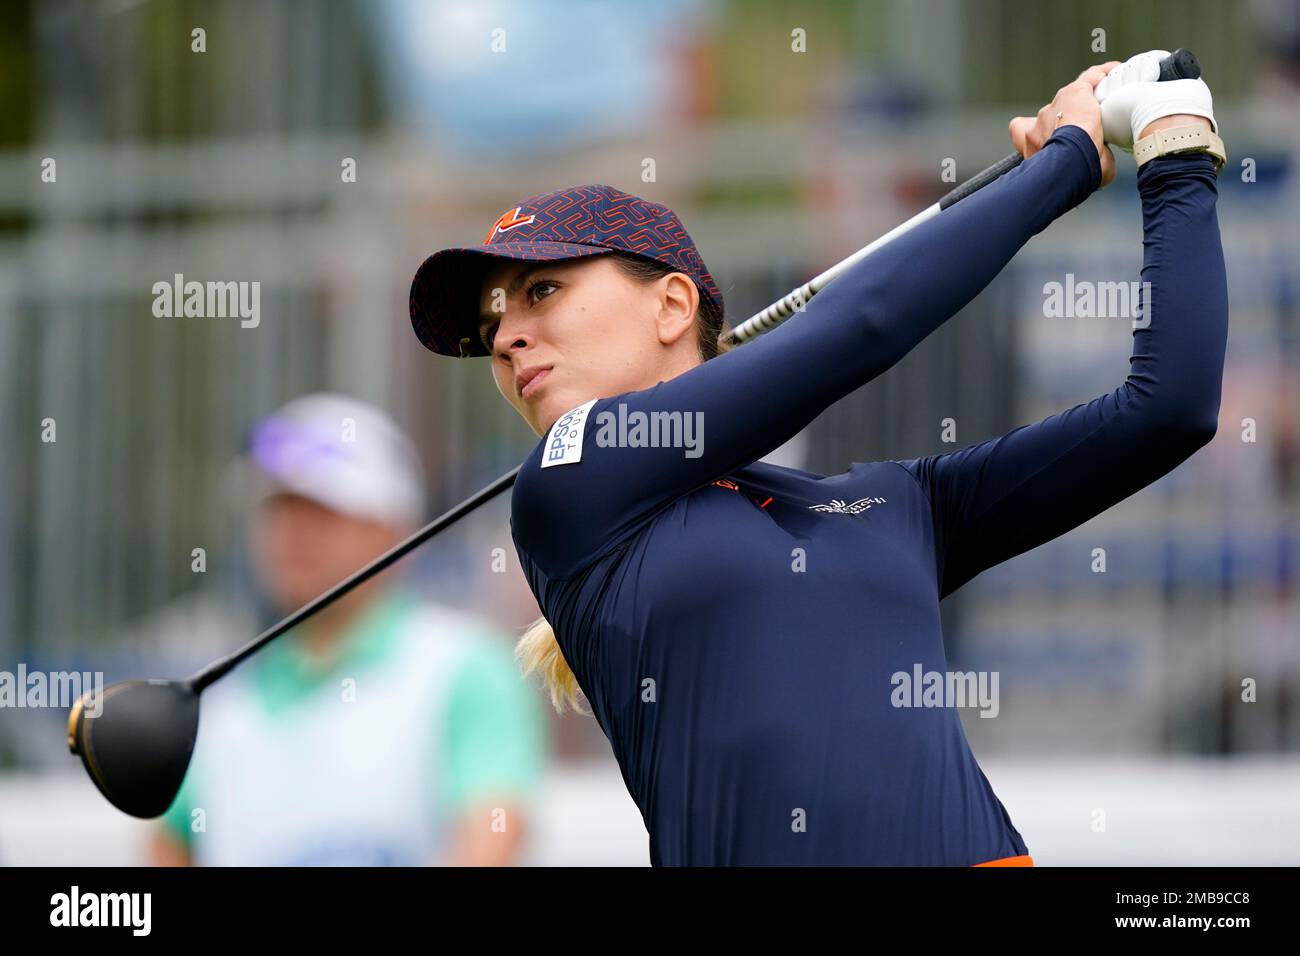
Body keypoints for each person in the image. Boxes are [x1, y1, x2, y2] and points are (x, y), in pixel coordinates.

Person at [407, 57, 1228, 865]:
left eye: (542, 291)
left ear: (672, 305)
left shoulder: (896, 502)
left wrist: (1176, 154)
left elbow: (1167, 413)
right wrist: (1065, 164)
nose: (506, 339)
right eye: (491, 327)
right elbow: (859, 330)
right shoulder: (565, 483)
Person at [150, 393, 546, 866]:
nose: (290, 533)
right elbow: (166, 846)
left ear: (394, 530)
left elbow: (492, 839)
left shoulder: (465, 669)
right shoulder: (217, 703)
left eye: (321, 513)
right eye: (277, 509)